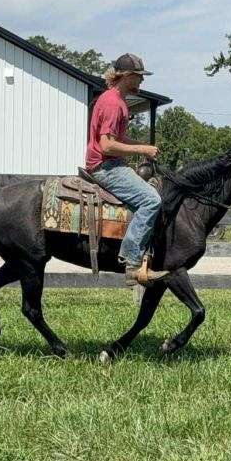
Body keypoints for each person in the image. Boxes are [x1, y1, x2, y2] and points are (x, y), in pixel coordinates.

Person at [85, 53, 169, 286]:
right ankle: (132, 263)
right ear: (127, 76)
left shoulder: (115, 99)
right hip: (106, 167)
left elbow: (119, 138)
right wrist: (142, 149)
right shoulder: (113, 103)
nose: (142, 82)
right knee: (152, 200)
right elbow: (107, 145)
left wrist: (144, 147)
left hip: (110, 164)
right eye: (139, 77)